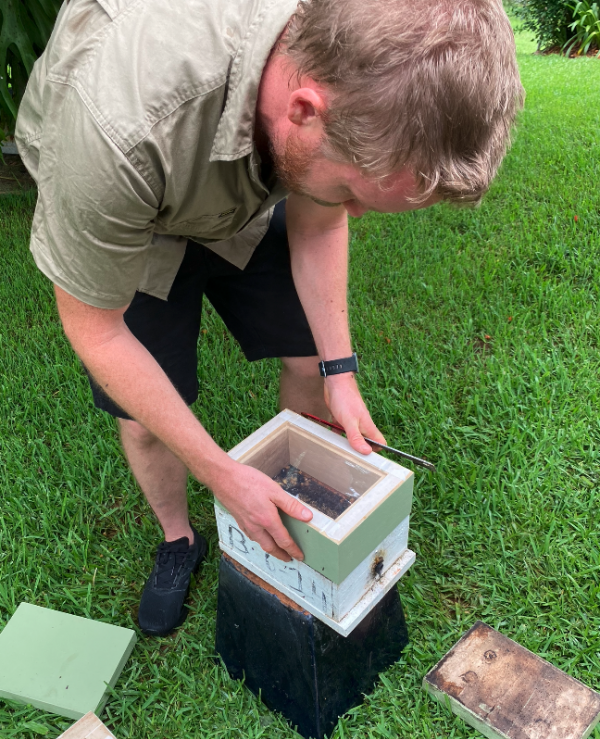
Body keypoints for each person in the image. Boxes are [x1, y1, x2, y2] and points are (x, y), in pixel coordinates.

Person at [15, 0, 523, 636]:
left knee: (310, 356)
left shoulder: (336, 75)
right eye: (352, 195)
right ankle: (179, 540)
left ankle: (297, 496)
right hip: (135, 203)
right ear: (305, 109)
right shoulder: (115, 126)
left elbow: (321, 215)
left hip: (252, 167)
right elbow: (97, 331)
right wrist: (224, 475)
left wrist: (341, 372)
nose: (354, 215)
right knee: (143, 419)